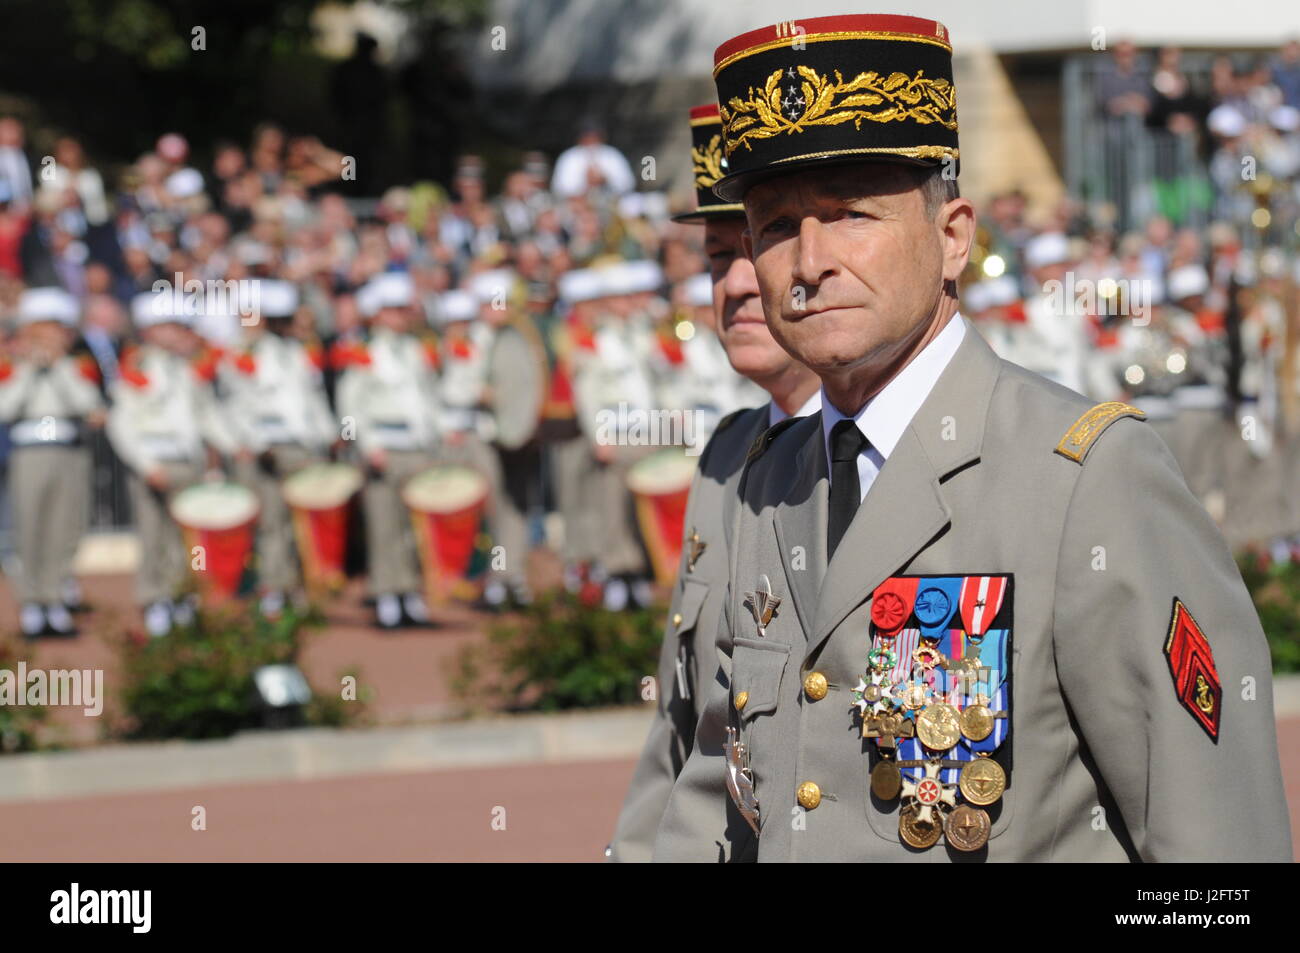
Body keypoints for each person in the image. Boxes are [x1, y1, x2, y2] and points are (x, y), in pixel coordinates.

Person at [655, 13, 1291, 862]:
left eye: (851, 215)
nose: (809, 263)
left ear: (953, 238)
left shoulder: (1085, 475)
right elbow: (714, 805)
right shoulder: (768, 478)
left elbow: (1215, 858)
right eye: (774, 227)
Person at [608, 103, 820, 862]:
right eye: (715, 256)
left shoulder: (881, 451)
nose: (733, 284)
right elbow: (679, 732)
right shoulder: (727, 456)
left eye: (756, 246)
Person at [108, 291, 240, 637]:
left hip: (187, 461)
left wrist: (234, 445)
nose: (181, 335)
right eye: (172, 327)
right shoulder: (135, 368)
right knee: (154, 534)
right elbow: (122, 423)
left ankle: (183, 594)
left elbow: (205, 414)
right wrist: (146, 464)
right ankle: (155, 598)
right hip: (154, 463)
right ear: (151, 330)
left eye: (182, 327)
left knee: (188, 538)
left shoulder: (186, 370)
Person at [335, 271, 441, 629]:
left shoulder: (415, 350)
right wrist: (366, 446)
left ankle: (411, 592)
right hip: (383, 447)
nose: (401, 317)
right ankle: (386, 594)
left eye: (404, 310)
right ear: (378, 314)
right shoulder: (364, 352)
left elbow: (428, 398)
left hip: (415, 447)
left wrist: (434, 441)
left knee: (415, 527)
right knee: (384, 525)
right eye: (393, 311)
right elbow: (351, 405)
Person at [225, 279, 337, 615]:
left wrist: (329, 435)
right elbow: (237, 407)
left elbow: (312, 400)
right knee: (270, 522)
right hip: (265, 450)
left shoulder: (296, 354)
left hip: (299, 447)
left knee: (300, 522)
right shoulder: (241, 354)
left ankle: (297, 588)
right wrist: (257, 444)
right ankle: (272, 587)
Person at [0, 288, 104, 637]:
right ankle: (31, 601)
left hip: (67, 450)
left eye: (54, 329)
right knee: (29, 528)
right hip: (31, 450)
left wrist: (58, 368)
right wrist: (30, 370)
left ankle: (56, 597)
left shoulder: (76, 367)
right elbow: (6, 408)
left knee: (65, 527)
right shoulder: (13, 368)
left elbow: (87, 405)